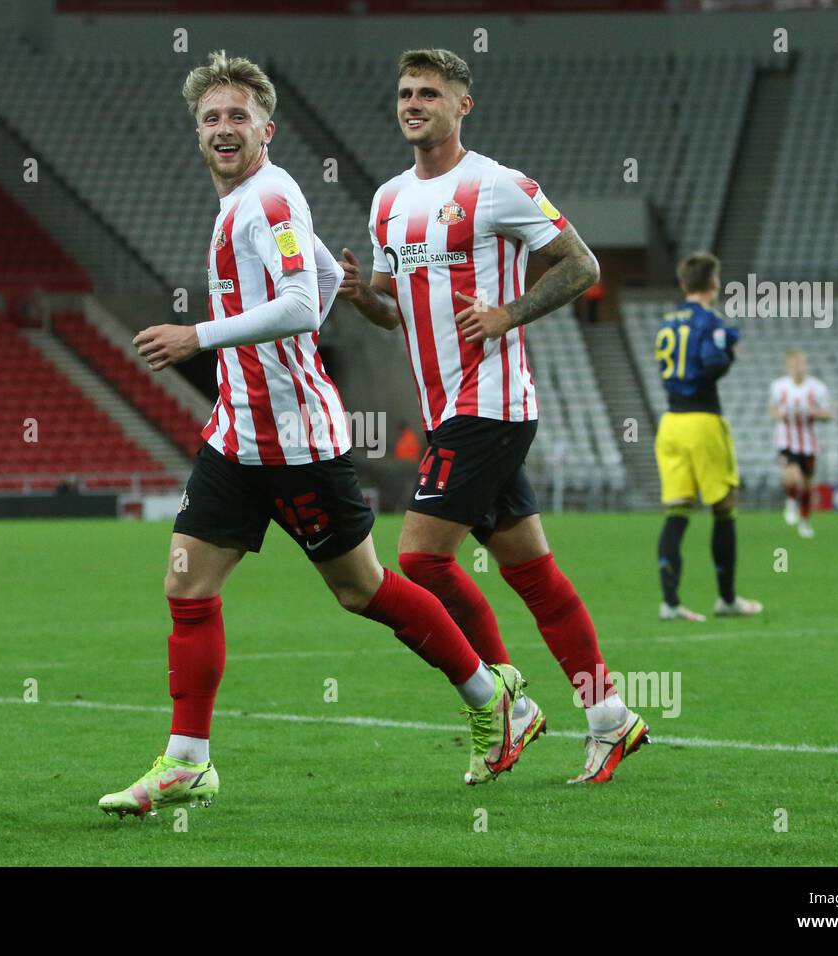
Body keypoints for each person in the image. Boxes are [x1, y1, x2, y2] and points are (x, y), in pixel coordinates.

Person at [99, 52, 530, 819]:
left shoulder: (265, 202)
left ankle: (489, 694)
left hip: (296, 442)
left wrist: (199, 336)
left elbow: (303, 304)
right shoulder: (248, 200)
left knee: (362, 590)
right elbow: (327, 281)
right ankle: (187, 761)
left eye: (238, 117)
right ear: (197, 131)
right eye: (211, 118)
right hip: (238, 438)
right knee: (186, 585)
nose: (224, 129)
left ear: (269, 127)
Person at [337, 48, 649, 785]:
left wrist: (509, 312)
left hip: (491, 405)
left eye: (431, 93)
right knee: (533, 572)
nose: (414, 103)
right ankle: (609, 717)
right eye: (406, 92)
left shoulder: (498, 185)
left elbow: (582, 265)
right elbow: (392, 315)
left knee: (418, 560)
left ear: (461, 106)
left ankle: (500, 692)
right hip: (450, 410)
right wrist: (360, 295)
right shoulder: (387, 200)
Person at [653, 252, 763, 622]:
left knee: (678, 510)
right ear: (714, 283)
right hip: (702, 420)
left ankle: (670, 603)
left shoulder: (667, 322)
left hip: (669, 423)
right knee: (724, 505)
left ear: (684, 284)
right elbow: (713, 363)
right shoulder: (710, 321)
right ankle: (727, 598)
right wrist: (730, 354)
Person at [769, 351, 834, 538]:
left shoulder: (817, 388)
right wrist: (778, 415)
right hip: (786, 440)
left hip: (809, 443)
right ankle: (790, 500)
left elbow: (829, 414)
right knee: (792, 477)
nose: (798, 368)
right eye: (794, 364)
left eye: (801, 364)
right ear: (787, 367)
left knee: (806, 485)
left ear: (806, 365)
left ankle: (805, 522)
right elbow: (772, 408)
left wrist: (815, 413)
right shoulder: (779, 386)